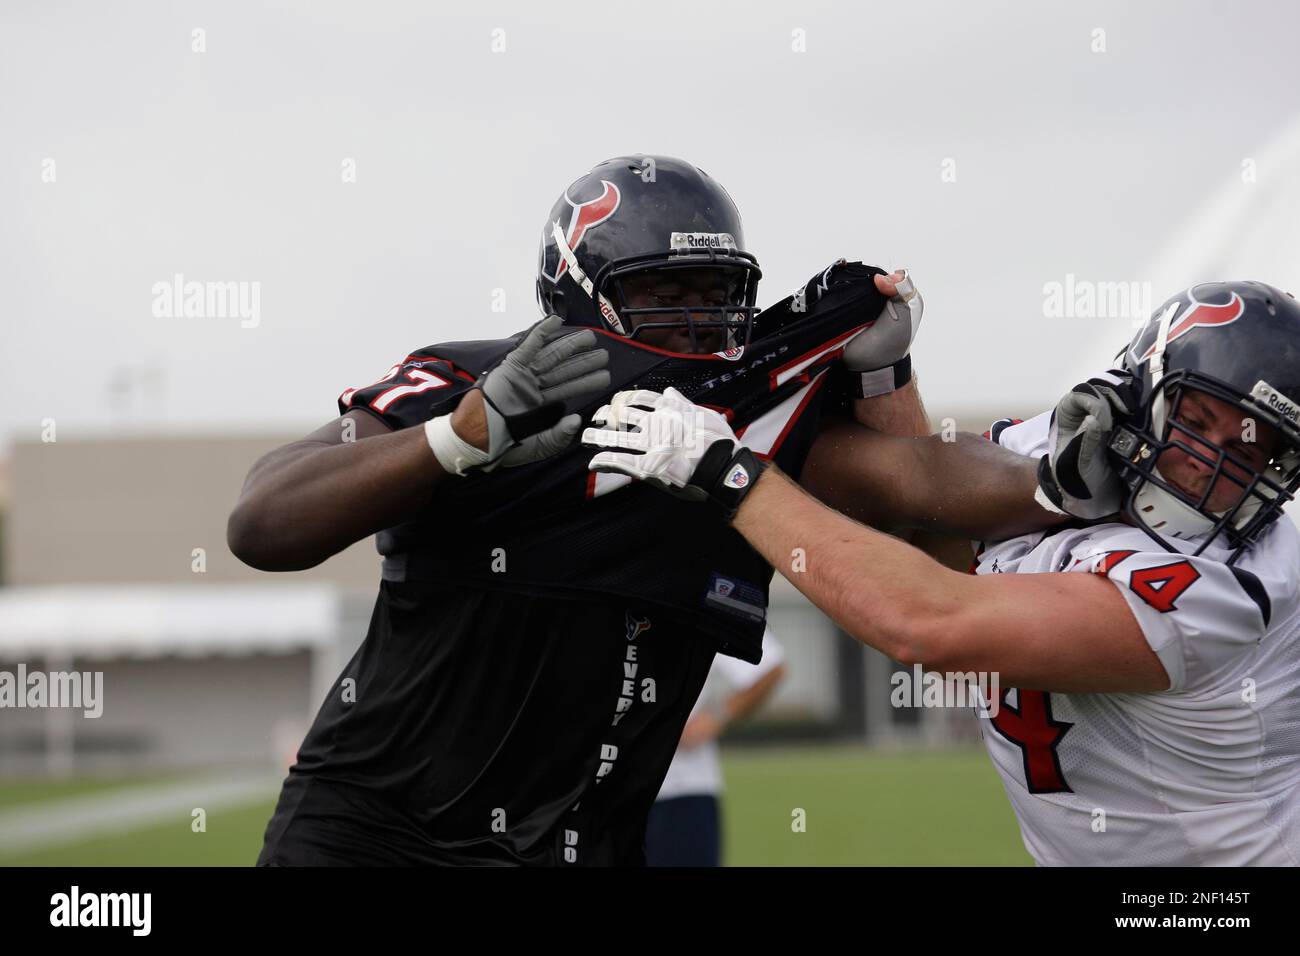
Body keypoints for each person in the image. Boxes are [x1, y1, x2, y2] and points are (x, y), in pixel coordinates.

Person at [230, 153, 1040, 865]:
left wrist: (1046, 463)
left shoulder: (732, 422)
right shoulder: (464, 380)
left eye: (717, 293)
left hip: (589, 844)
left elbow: (922, 487)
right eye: (663, 291)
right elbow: (262, 520)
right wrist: (454, 439)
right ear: (577, 291)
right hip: (377, 841)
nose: (696, 319)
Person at [584, 280, 1300, 865]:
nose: (1213, 460)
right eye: (1198, 421)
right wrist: (881, 373)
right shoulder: (1071, 449)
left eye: (1252, 452)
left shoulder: (1237, 590)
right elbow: (926, 511)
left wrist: (730, 475)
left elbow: (932, 622)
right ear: (1145, 385)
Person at [646, 627, 786, 867]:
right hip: (600, 792)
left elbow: (770, 665)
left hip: (681, 790)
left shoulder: (701, 593)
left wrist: (715, 717)